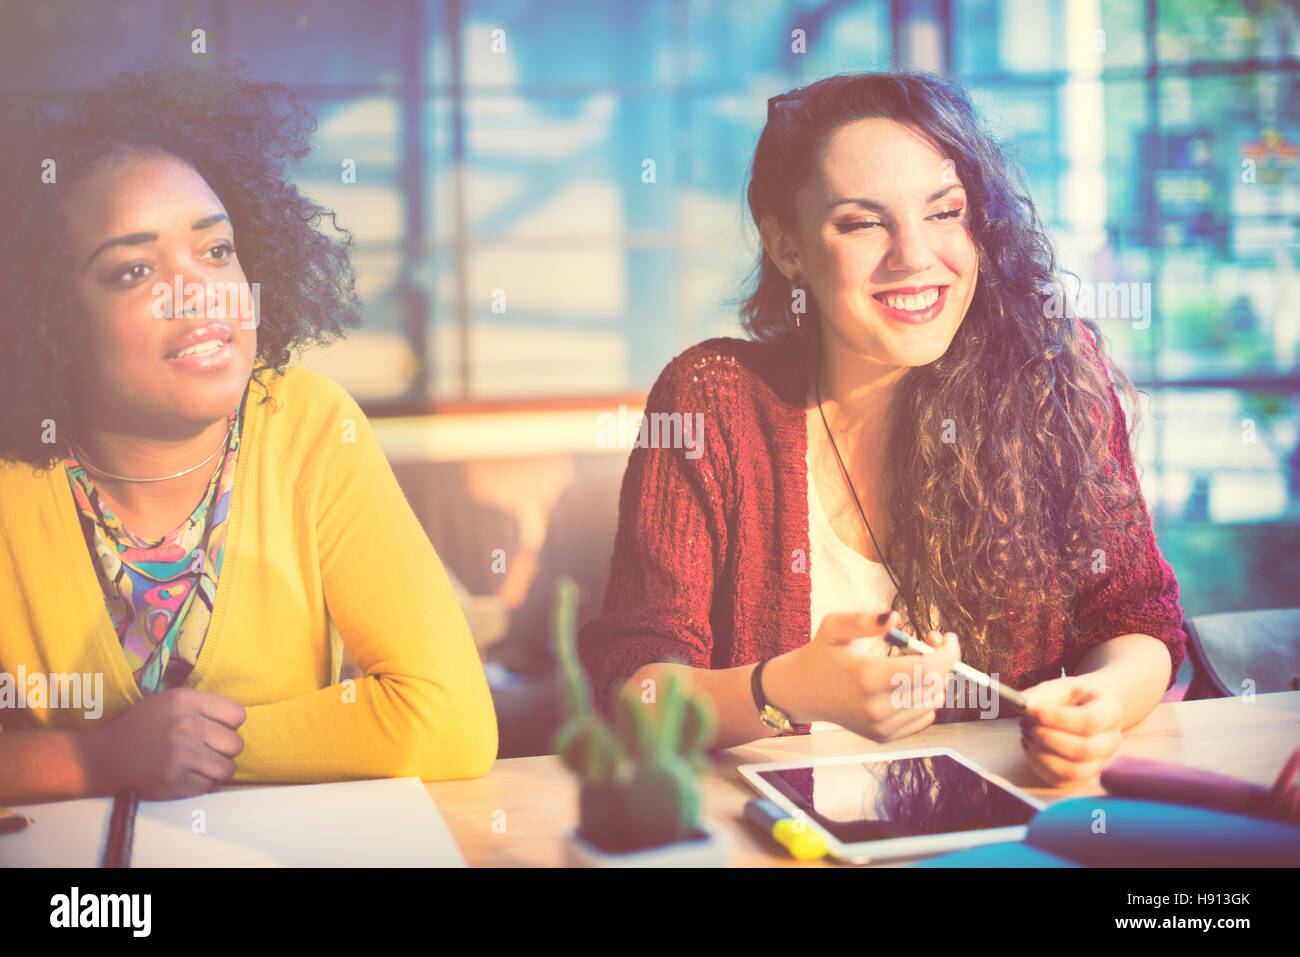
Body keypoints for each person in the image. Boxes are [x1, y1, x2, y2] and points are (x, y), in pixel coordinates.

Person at [578, 72, 1186, 786]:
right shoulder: (714, 402)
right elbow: (633, 689)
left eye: (945, 212)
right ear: (788, 247)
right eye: (864, 222)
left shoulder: (1048, 375)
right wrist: (787, 688)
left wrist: (1100, 704)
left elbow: (1136, 619)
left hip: (1012, 823)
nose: (914, 257)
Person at [0, 67, 497, 804]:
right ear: (50, 324)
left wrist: (204, 752)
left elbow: (446, 714)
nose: (197, 290)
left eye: (216, 250)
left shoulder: (312, 428)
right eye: (134, 269)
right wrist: (98, 760)